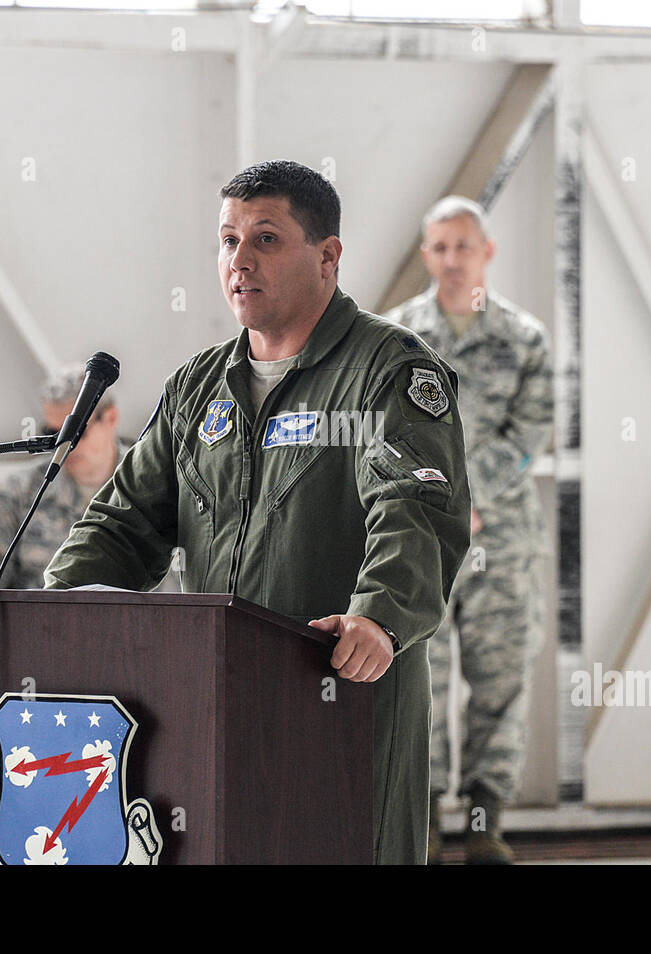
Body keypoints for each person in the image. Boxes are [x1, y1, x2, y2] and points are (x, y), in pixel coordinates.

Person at [44, 159, 471, 864]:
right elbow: (124, 523)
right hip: (212, 710)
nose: (240, 261)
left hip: (341, 700)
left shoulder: (388, 372)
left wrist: (380, 616)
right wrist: (56, 612)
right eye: (228, 240)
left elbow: (414, 508)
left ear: (328, 256)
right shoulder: (198, 387)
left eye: (266, 240)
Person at [385, 195, 553, 864]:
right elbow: (385, 436)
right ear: (427, 255)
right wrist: (442, 500)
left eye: (464, 246)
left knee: (500, 680)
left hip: (502, 544)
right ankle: (422, 823)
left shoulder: (524, 340)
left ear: (488, 252)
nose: (452, 259)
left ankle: (485, 825)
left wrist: (471, 495)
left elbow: (530, 433)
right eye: (440, 247)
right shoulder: (396, 339)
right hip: (421, 541)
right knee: (419, 683)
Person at [0, 365, 120, 589]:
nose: (65, 445)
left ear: (111, 418)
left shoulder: (150, 484)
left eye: (77, 431)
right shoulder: (23, 491)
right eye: (53, 433)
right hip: (36, 624)